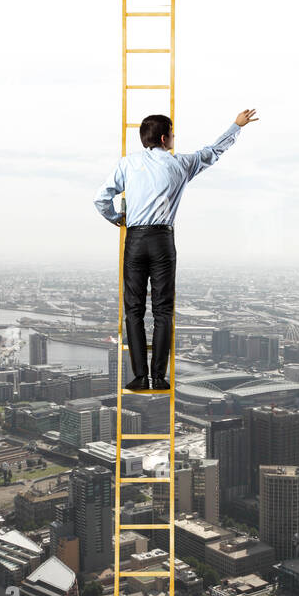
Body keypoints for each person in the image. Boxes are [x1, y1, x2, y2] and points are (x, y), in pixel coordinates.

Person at [94, 109, 259, 392]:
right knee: (163, 311)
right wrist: (236, 126)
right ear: (164, 137)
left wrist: (117, 218)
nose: (174, 137)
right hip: (162, 240)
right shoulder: (180, 164)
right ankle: (159, 377)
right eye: (172, 132)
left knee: (133, 311)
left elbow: (101, 199)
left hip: (134, 239)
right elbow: (213, 152)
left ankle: (139, 377)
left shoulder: (127, 164)